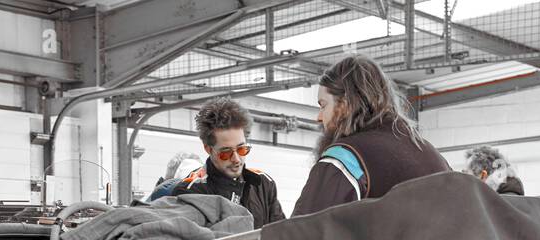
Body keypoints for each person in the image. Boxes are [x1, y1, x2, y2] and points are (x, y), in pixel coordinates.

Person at [293, 55, 450, 216]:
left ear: (345, 105)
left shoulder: (345, 157)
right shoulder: (431, 154)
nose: (319, 117)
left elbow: (300, 234)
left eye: (323, 105)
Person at [169, 98, 285, 227]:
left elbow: (281, 233)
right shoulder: (191, 192)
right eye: (226, 152)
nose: (236, 159)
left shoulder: (263, 183)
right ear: (208, 149)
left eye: (242, 149)